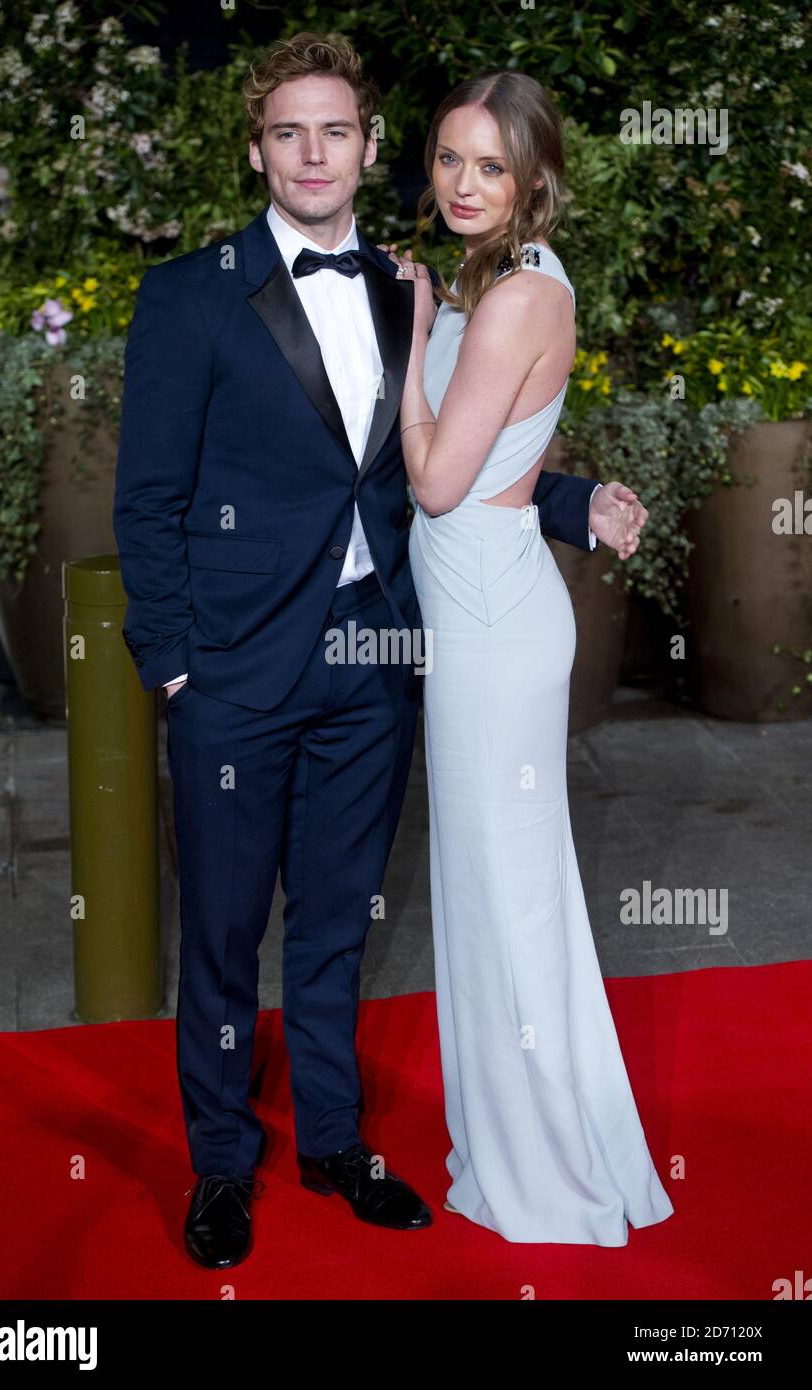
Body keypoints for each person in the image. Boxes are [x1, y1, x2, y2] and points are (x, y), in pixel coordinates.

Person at [113, 32, 644, 1269]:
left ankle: (337, 1145)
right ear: (258, 149)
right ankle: (222, 1165)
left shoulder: (413, 285)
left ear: (363, 148)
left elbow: (449, 462)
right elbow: (146, 501)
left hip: (376, 658)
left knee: (342, 923)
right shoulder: (190, 295)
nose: (313, 153)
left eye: (335, 131)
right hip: (236, 671)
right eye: (287, 132)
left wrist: (571, 505)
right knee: (223, 932)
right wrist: (175, 662)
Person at [392, 70, 674, 1244]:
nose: (461, 184)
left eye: (489, 166)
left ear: (533, 179)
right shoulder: (511, 276)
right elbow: (504, 462)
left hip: (489, 623)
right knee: (501, 890)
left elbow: (437, 477)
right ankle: (538, 1138)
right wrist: (578, 500)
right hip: (486, 601)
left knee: (502, 896)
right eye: (448, 159)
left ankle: (546, 1169)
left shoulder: (506, 298)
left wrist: (409, 343)